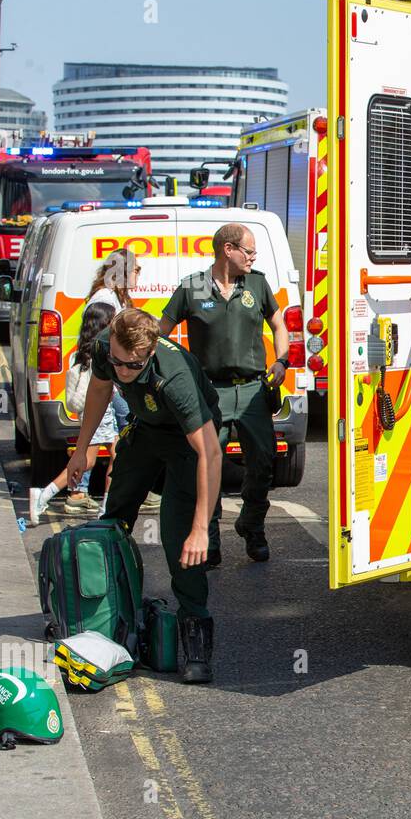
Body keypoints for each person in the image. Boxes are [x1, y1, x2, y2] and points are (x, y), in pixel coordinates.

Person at [68, 307, 223, 683]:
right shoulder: (109, 347)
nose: (123, 371)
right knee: (113, 517)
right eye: (118, 362)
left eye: (132, 367)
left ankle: (196, 639)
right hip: (147, 430)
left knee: (178, 538)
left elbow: (211, 453)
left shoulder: (175, 377)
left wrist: (200, 528)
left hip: (190, 444)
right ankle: (103, 613)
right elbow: (100, 390)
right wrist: (81, 447)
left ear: (150, 354)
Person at [158, 223, 289, 566]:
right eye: (248, 251)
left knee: (263, 461)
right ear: (227, 250)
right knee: (207, 463)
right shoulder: (191, 287)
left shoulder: (257, 283)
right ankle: (210, 535)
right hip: (209, 393)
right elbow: (161, 334)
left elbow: (279, 324)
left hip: (252, 391)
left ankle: (252, 524)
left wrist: (282, 361)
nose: (253, 257)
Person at [59, 248, 143, 515]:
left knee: (111, 442)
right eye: (136, 270)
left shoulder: (114, 298)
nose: (139, 275)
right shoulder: (105, 301)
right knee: (119, 443)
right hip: (108, 379)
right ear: (121, 273)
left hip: (113, 378)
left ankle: (85, 493)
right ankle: (88, 496)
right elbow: (99, 342)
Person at [29, 303, 119, 524]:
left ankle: (104, 508)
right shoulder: (103, 349)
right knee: (92, 460)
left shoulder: (83, 351)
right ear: (104, 324)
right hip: (100, 412)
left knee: (113, 456)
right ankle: (45, 494)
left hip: (93, 411)